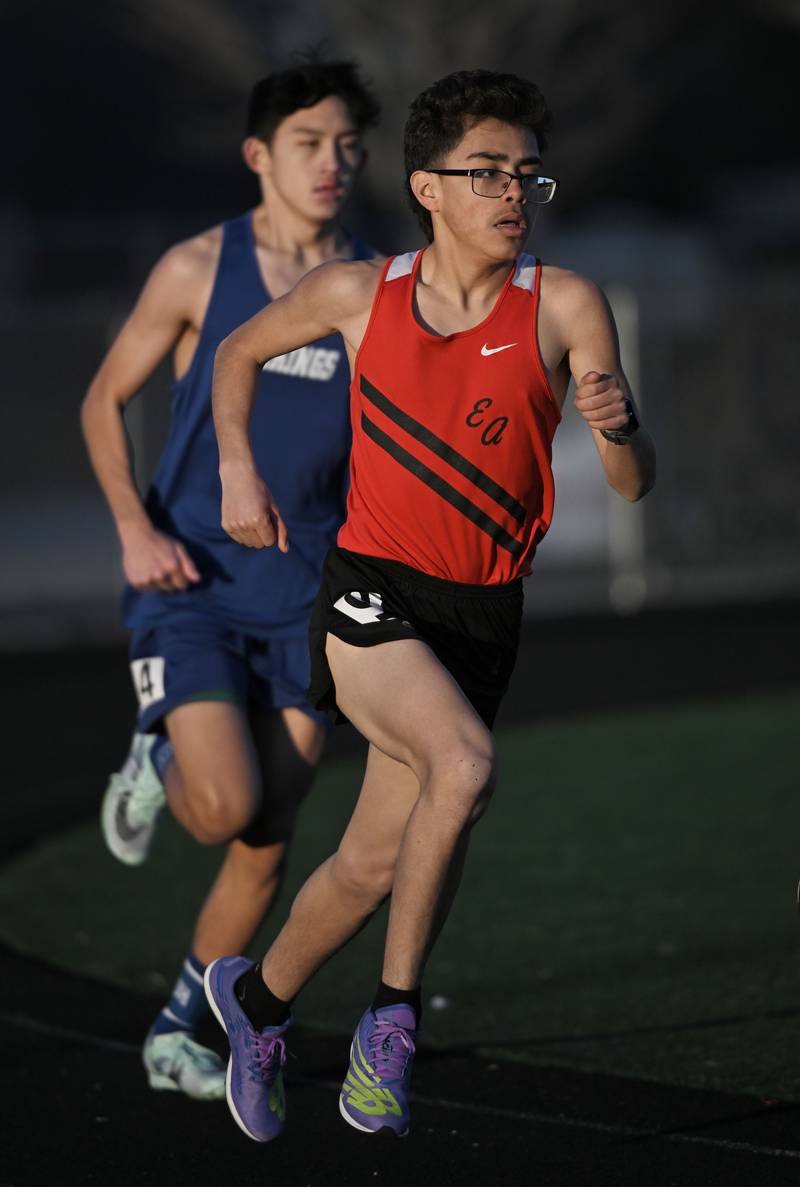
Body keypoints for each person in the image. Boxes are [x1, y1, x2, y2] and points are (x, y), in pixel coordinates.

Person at [206, 68, 656, 1141]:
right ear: (427, 185)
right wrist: (236, 467)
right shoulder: (359, 295)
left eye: (525, 173)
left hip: (482, 616)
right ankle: (389, 1024)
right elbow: (234, 353)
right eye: (486, 171)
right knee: (463, 766)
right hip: (370, 593)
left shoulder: (566, 303)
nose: (512, 191)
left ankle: (256, 1001)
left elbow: (633, 482)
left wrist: (618, 425)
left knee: (371, 859)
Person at [79, 54, 379, 1100]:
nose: (331, 163)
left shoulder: (374, 286)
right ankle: (153, 746)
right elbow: (99, 402)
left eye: (347, 144)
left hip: (306, 602)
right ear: (259, 155)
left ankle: (181, 1026)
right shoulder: (197, 268)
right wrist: (130, 527)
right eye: (308, 143)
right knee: (219, 805)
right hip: (192, 581)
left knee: (263, 844)